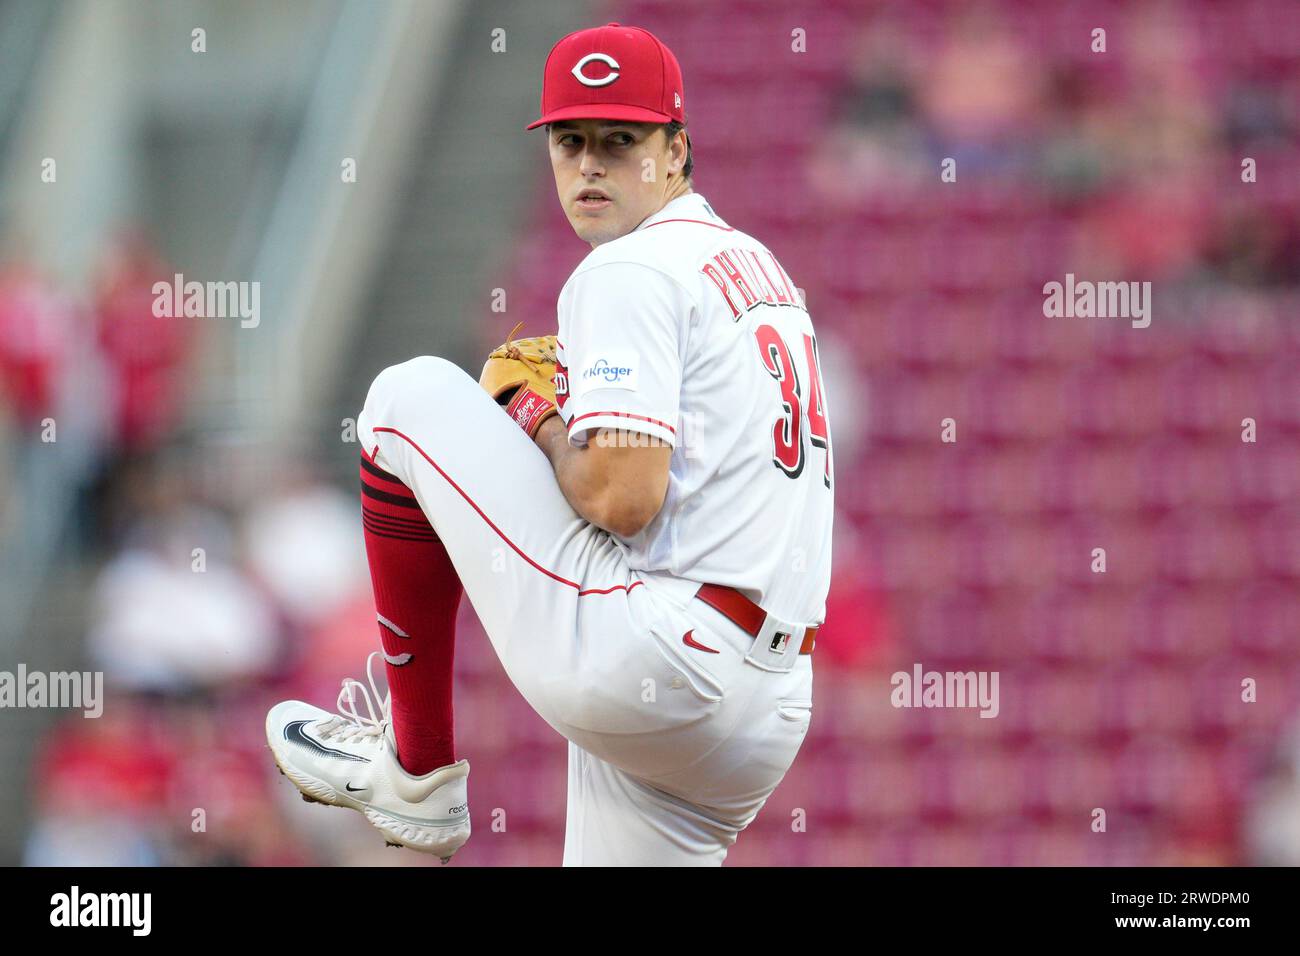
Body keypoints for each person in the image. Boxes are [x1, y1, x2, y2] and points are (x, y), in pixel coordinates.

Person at [266, 22, 834, 866]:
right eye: (571, 142)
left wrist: (536, 415)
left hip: (668, 659)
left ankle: (415, 774)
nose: (592, 164)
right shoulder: (758, 270)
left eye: (621, 140)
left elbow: (620, 497)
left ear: (676, 150)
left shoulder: (629, 269)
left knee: (403, 400)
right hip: (765, 706)